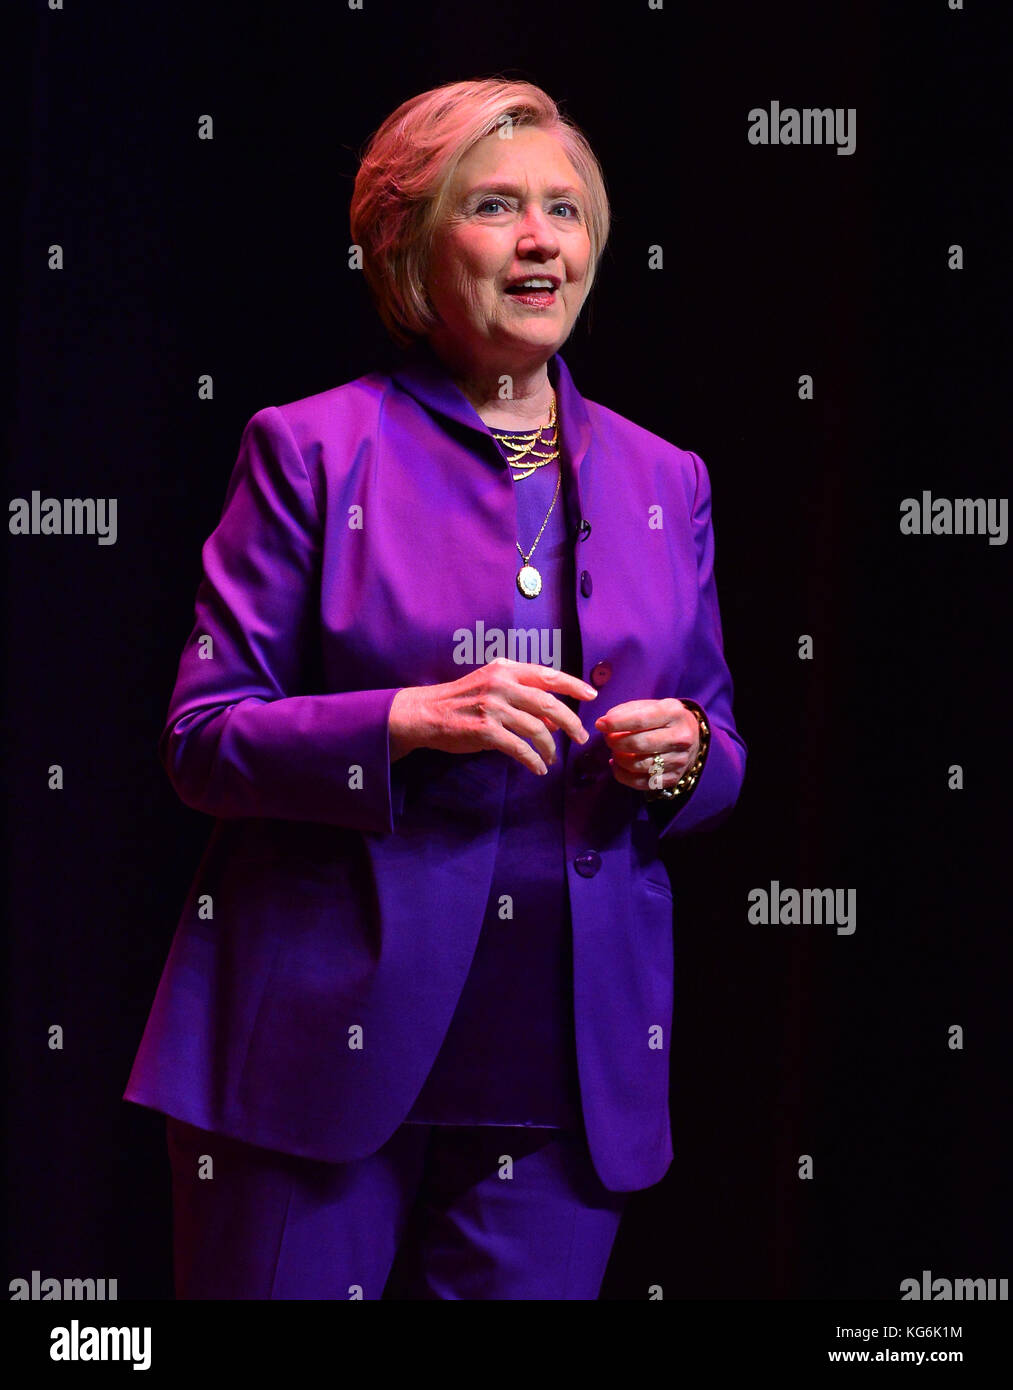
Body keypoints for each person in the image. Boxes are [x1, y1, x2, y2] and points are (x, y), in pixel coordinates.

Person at [124, 76, 747, 1301]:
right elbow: (203, 738)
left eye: (563, 211)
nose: (538, 240)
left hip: (569, 1067)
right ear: (410, 249)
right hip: (316, 1047)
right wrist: (406, 721)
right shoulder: (308, 448)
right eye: (496, 206)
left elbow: (720, 740)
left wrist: (682, 757)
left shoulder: (666, 477)